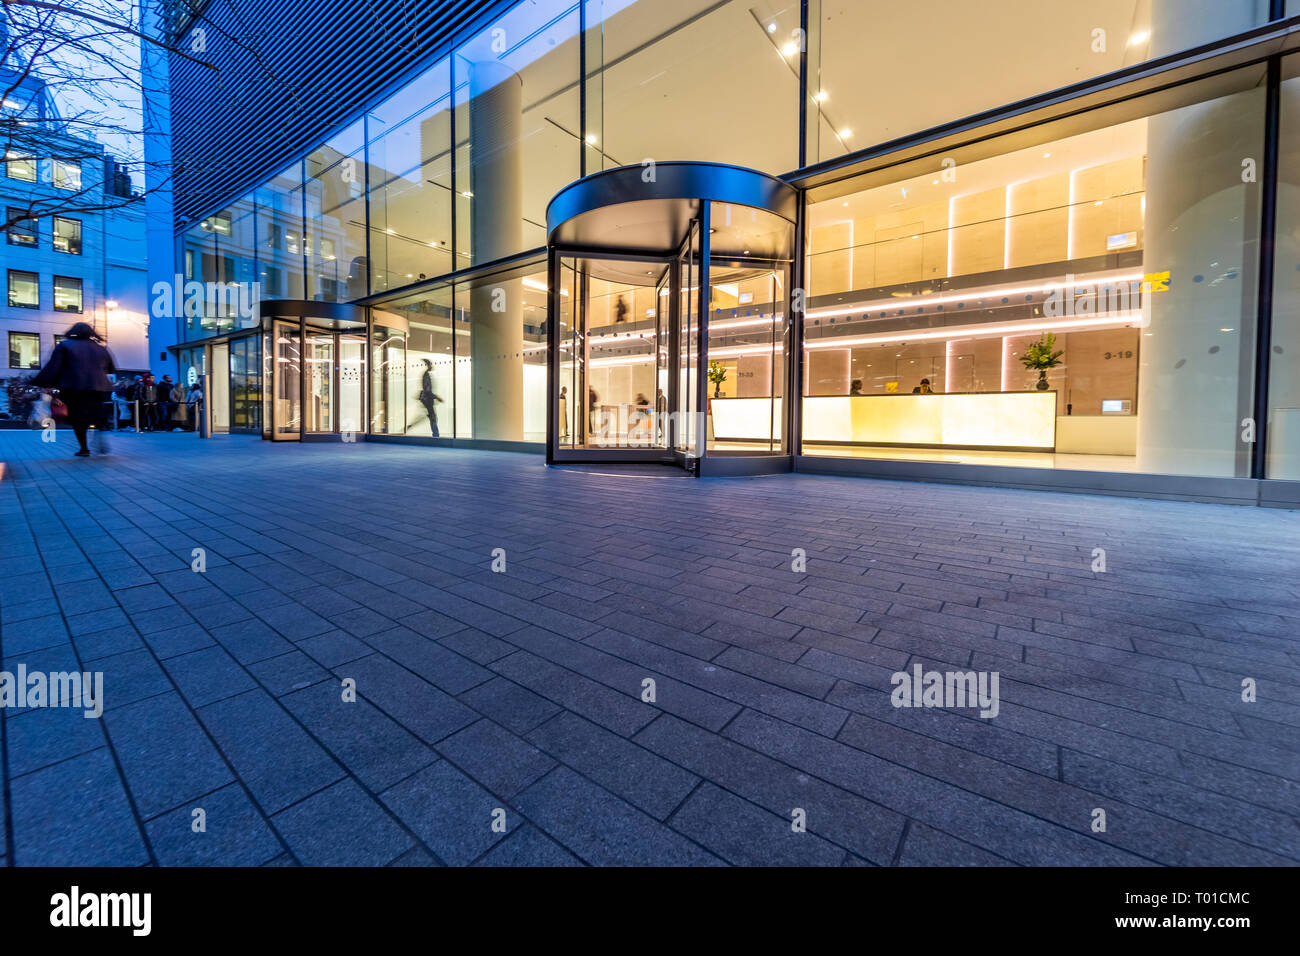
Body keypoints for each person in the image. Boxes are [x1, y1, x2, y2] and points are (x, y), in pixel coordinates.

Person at [31, 322, 116, 457]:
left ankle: (84, 448)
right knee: (96, 412)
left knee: (77, 418)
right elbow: (111, 368)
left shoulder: (65, 345)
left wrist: (42, 381)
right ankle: (100, 432)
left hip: (73, 386)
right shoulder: (101, 348)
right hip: (97, 387)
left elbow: (54, 366)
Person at [418, 358, 443, 437]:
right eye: (430, 365)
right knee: (433, 417)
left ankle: (435, 434)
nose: (432, 366)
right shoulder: (426, 376)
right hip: (428, 400)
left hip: (427, 400)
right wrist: (436, 397)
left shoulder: (426, 375)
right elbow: (427, 390)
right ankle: (436, 434)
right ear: (428, 366)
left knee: (432, 417)